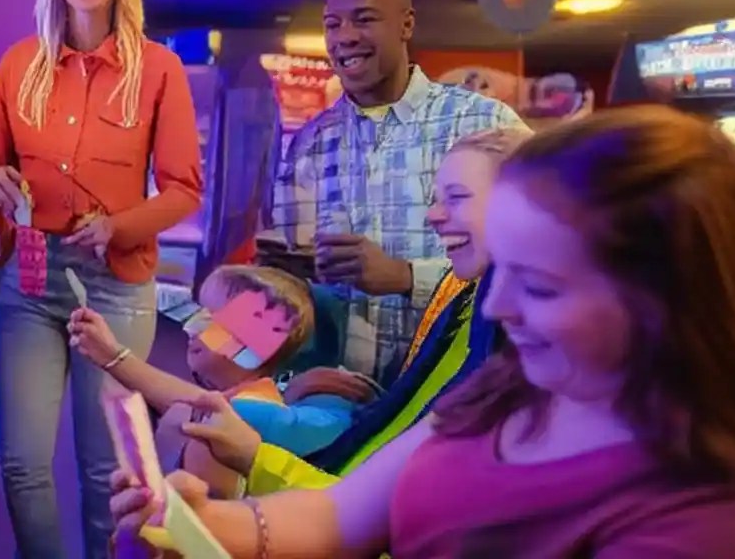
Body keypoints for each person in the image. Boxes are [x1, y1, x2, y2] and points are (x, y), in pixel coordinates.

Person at [112, 106, 735, 557]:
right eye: (501, 269)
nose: (499, 305)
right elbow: (338, 517)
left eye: (538, 285)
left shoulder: (704, 514)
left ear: (658, 298)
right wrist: (203, 523)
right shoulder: (513, 385)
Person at [0, 0, 202, 559]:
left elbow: (184, 188)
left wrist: (118, 226)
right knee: (21, 466)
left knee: (106, 476)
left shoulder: (158, 69)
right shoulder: (21, 64)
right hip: (29, 278)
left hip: (117, 288)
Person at [186, 128, 531, 494]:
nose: (433, 215)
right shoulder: (466, 304)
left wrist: (119, 360)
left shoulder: (501, 332)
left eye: (457, 197)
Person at [270, 0, 527, 386]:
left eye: (364, 19)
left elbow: (536, 255)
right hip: (342, 402)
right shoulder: (310, 143)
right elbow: (294, 275)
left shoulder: (484, 123)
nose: (345, 36)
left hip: (461, 393)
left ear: (406, 25)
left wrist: (407, 277)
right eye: (332, 24)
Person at [68, 265, 369, 497]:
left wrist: (113, 356)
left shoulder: (252, 412)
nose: (190, 328)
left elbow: (203, 406)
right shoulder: (265, 401)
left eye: (212, 319)